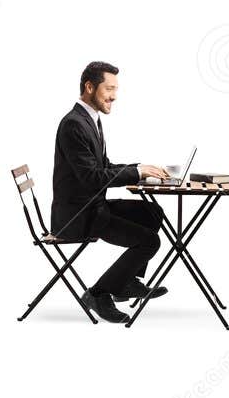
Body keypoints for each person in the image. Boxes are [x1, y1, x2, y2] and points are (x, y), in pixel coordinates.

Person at [50, 61, 172, 324]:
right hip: (77, 216)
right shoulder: (74, 124)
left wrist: (140, 167)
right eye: (109, 88)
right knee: (150, 241)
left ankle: (126, 283)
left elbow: (102, 167)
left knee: (152, 212)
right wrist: (137, 173)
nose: (114, 96)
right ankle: (98, 293)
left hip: (91, 206)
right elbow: (92, 178)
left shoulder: (90, 119)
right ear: (89, 87)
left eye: (116, 89)